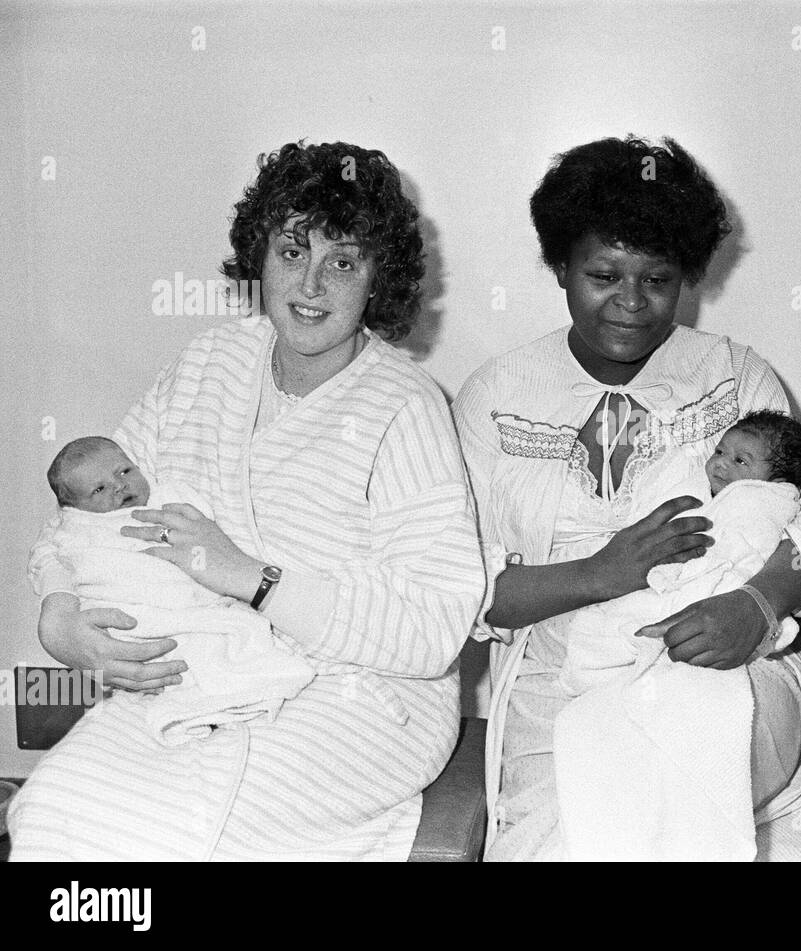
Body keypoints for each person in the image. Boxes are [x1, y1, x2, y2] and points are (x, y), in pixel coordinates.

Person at [9, 141, 485, 860]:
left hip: (360, 698)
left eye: (343, 262)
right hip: (199, 671)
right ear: (259, 255)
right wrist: (58, 615)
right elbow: (83, 510)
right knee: (52, 810)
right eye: (292, 251)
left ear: (378, 277)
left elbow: (433, 627)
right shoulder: (209, 363)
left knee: (179, 830)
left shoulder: (405, 406)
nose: (311, 284)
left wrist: (251, 578)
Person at [452, 135, 801, 860]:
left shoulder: (733, 375)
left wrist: (757, 607)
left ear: (687, 276)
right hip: (562, 677)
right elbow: (459, 586)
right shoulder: (498, 396)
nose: (632, 303)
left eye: (658, 279)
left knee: (695, 758)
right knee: (579, 828)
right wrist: (600, 573)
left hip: (733, 656)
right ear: (560, 266)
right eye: (604, 275)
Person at [40, 436, 315, 746]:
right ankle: (197, 701)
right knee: (173, 652)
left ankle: (222, 696)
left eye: (124, 471)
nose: (119, 486)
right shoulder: (81, 528)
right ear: (76, 509)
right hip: (137, 615)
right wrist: (57, 623)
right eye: (99, 489)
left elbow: (207, 535)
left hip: (196, 605)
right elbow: (60, 556)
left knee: (221, 638)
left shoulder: (169, 498)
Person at [559, 410, 801, 697]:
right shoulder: (700, 488)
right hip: (677, 579)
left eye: (740, 461)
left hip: (721, 589)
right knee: (609, 623)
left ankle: (614, 670)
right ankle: (602, 673)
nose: (720, 463)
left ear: (776, 481)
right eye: (720, 451)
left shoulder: (767, 501)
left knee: (644, 630)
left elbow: (753, 546)